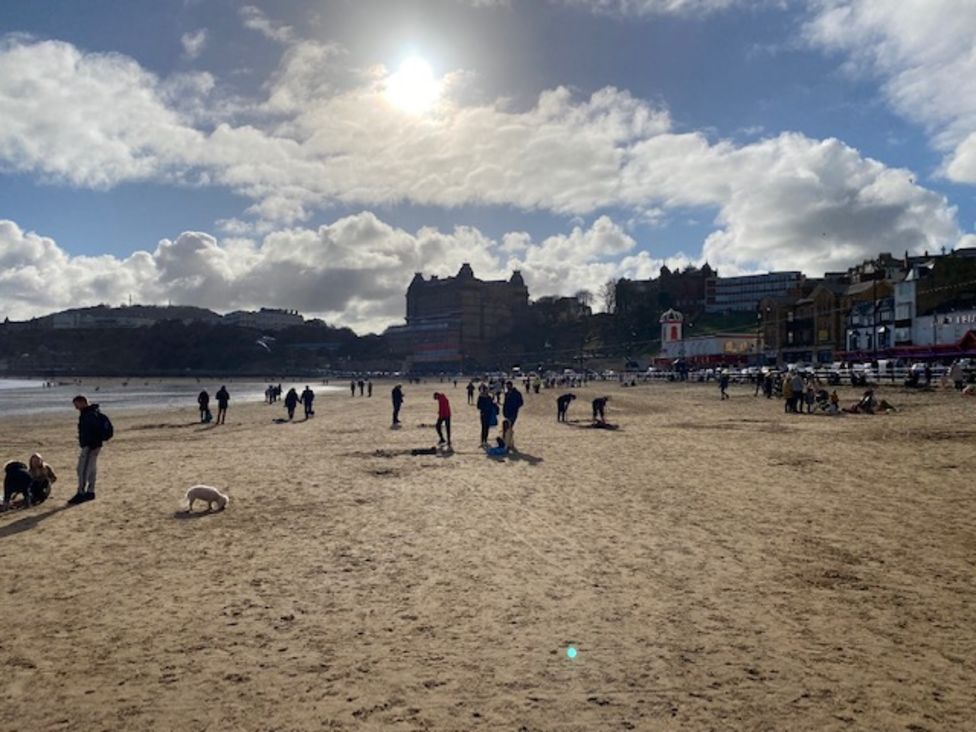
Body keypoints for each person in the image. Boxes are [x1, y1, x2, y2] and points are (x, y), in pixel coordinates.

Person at [69, 394, 107, 504]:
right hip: (94, 445)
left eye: (76, 404)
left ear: (82, 402)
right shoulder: (93, 412)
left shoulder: (89, 414)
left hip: (91, 446)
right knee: (91, 469)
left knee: (82, 469)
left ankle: (81, 493)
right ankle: (90, 492)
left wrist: (91, 443)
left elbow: (92, 431)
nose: (76, 407)